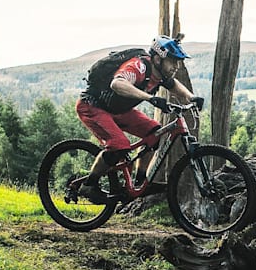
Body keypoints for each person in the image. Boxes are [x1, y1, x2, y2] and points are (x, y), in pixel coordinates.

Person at [74, 35, 202, 200]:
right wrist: (150, 98)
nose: (176, 66)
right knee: (119, 146)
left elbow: (173, 85)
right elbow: (117, 84)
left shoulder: (160, 74)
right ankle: (88, 185)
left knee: (155, 133)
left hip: (118, 110)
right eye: (172, 61)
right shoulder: (139, 66)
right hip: (92, 106)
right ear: (157, 59)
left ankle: (140, 182)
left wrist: (192, 98)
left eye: (177, 62)